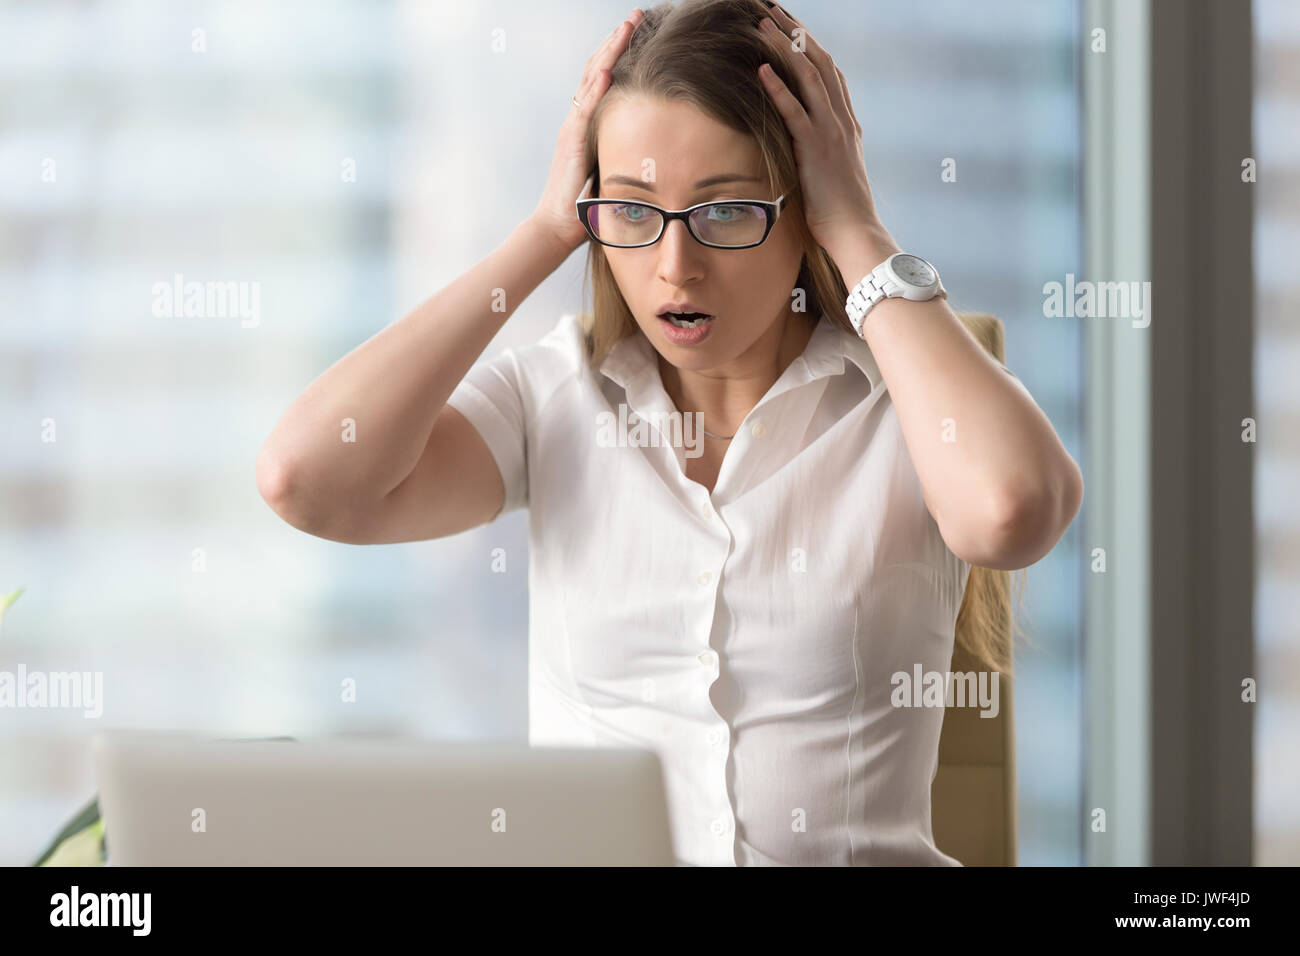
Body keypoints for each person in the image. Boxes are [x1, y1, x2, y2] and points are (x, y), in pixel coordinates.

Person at [256, 0, 1082, 866]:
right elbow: (304, 480)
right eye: (633, 210)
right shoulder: (558, 394)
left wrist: (859, 231)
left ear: (802, 209)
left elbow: (1010, 511)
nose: (675, 267)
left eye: (726, 212)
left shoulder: (907, 401)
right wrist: (543, 232)